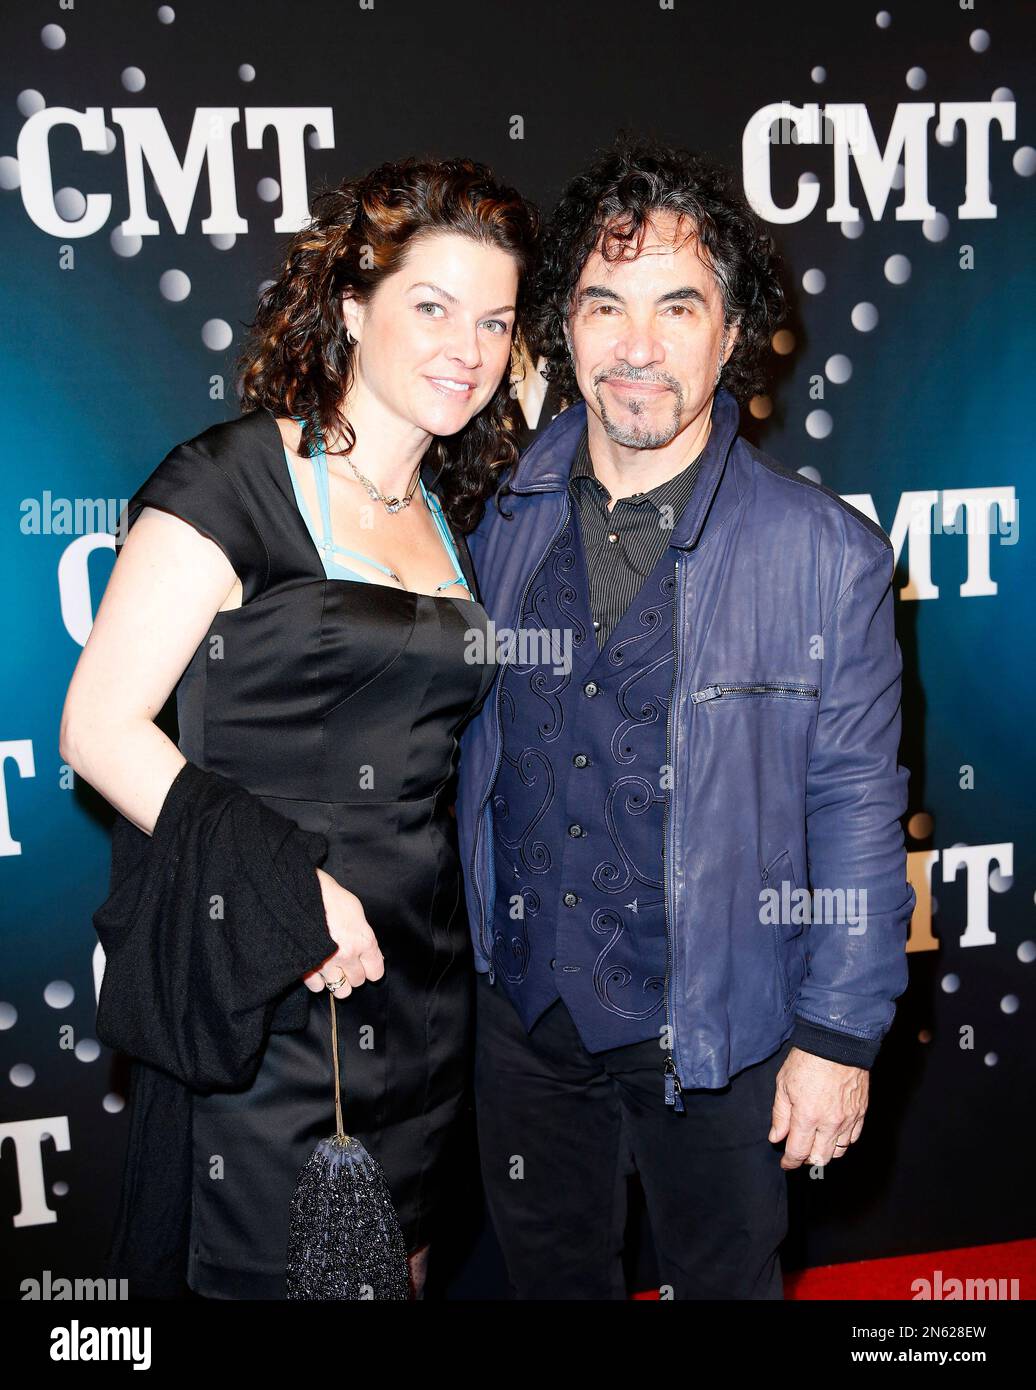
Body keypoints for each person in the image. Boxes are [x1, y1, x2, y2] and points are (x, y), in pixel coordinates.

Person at [60, 156, 539, 1299]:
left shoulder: (451, 515)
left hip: (422, 995)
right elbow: (98, 726)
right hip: (270, 981)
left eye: (495, 322)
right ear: (351, 307)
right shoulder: (233, 479)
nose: (467, 349)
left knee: (400, 1272)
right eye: (432, 308)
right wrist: (287, 889)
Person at [454, 134, 917, 1299]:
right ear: (563, 329)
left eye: (678, 307)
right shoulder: (489, 513)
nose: (637, 348)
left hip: (714, 1032)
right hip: (522, 1019)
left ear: (731, 330)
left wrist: (838, 1036)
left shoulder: (824, 556)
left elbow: (855, 806)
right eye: (603, 305)